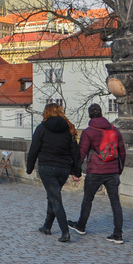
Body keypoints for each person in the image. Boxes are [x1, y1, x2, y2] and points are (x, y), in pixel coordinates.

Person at [69, 104, 126, 244]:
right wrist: (119, 170)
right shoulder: (114, 130)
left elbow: (81, 154)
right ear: (101, 114)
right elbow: (122, 152)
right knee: (115, 203)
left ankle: (81, 226)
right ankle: (118, 234)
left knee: (88, 199)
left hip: (95, 171)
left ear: (89, 115)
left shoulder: (88, 132)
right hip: (112, 171)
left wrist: (75, 172)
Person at [26, 103, 82, 243]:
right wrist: (77, 170)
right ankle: (47, 226)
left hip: (47, 168)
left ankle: (65, 232)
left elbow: (34, 149)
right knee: (53, 195)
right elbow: (75, 152)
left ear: (46, 113)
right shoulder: (67, 129)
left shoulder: (42, 128)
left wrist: (29, 167)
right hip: (63, 169)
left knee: (55, 198)